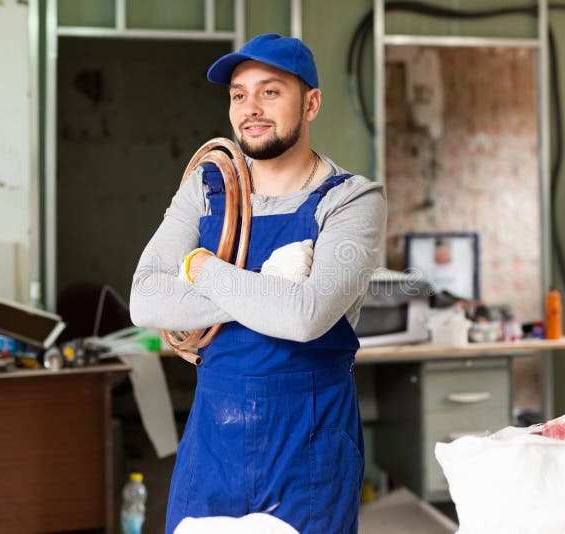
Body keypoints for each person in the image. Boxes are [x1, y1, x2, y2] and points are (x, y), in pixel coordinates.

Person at [130, 33, 387, 534]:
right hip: (214, 441)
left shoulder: (352, 200)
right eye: (239, 95)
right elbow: (144, 299)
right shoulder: (206, 188)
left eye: (270, 92)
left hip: (309, 445)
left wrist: (200, 267)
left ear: (311, 103)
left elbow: (305, 317)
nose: (252, 108)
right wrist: (271, 287)